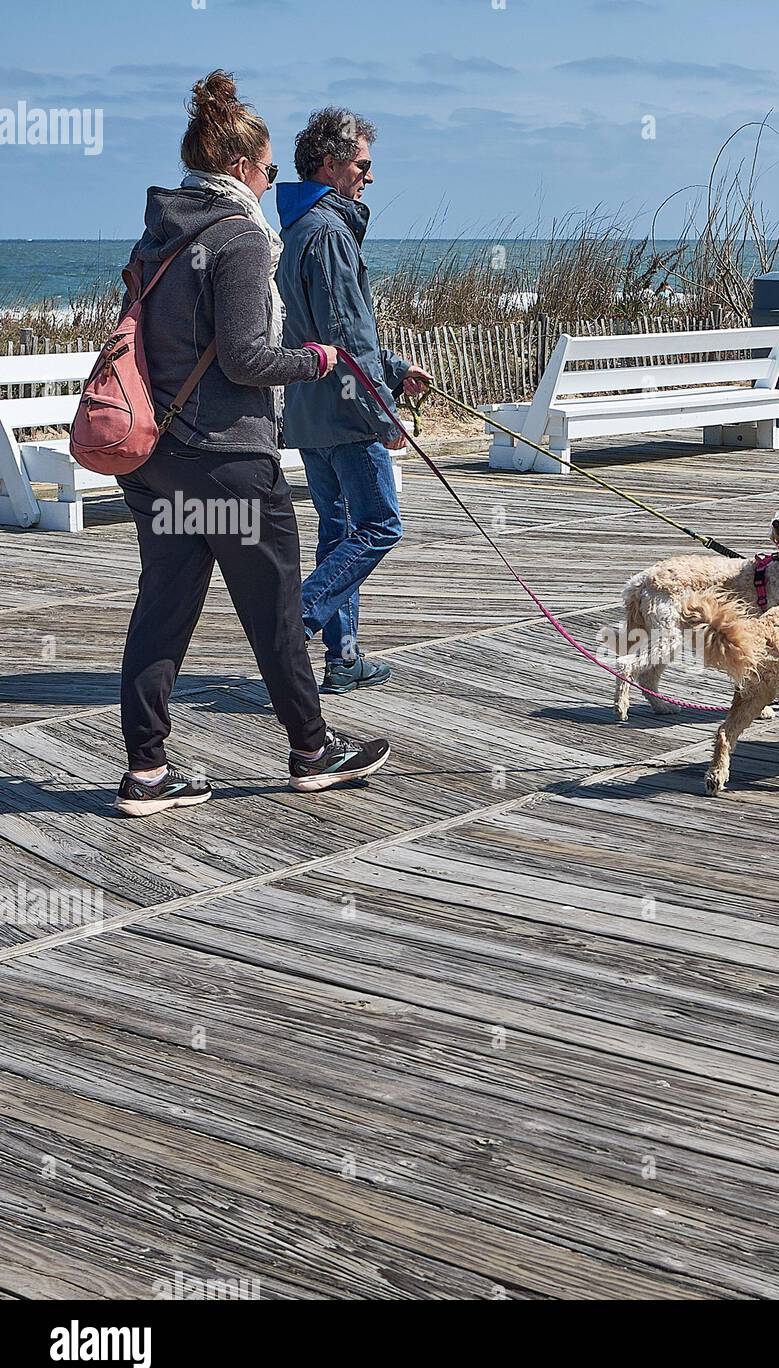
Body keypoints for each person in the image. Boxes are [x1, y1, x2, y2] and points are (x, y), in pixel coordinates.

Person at [115, 71, 390, 817]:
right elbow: (246, 360)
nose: (272, 184)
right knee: (272, 612)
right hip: (231, 463)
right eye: (269, 172)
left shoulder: (160, 234)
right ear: (241, 170)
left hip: (160, 461)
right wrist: (321, 359)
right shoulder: (237, 237)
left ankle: (146, 771)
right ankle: (311, 749)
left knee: (162, 611)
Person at [276, 106, 433, 694]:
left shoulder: (298, 229)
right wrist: (384, 414)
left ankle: (343, 659)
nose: (370, 177)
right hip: (344, 415)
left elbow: (329, 332)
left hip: (312, 412)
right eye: (363, 165)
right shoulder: (327, 232)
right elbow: (345, 337)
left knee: (338, 531)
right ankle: (297, 621)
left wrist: (394, 370)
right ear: (330, 164)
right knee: (380, 525)